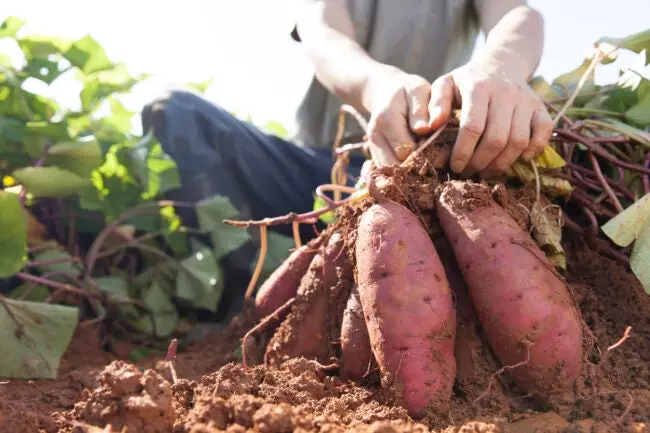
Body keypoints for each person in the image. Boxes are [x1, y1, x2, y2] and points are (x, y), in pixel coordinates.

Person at [142, 0, 552, 319]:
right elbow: (323, 33)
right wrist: (376, 85)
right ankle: (244, 305)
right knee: (175, 111)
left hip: (419, 170)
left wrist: (499, 68)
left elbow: (517, 15)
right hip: (322, 172)